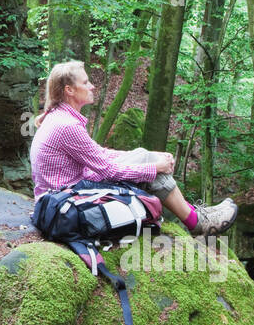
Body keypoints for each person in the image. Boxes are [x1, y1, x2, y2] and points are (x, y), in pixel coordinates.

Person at [29, 60, 238, 236]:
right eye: (86, 82)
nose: (92, 86)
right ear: (69, 90)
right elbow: (108, 170)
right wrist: (154, 168)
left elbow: (99, 154)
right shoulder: (67, 126)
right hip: (64, 198)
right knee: (148, 169)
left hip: (64, 190)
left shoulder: (60, 117)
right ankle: (197, 221)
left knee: (142, 156)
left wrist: (150, 157)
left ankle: (195, 215)